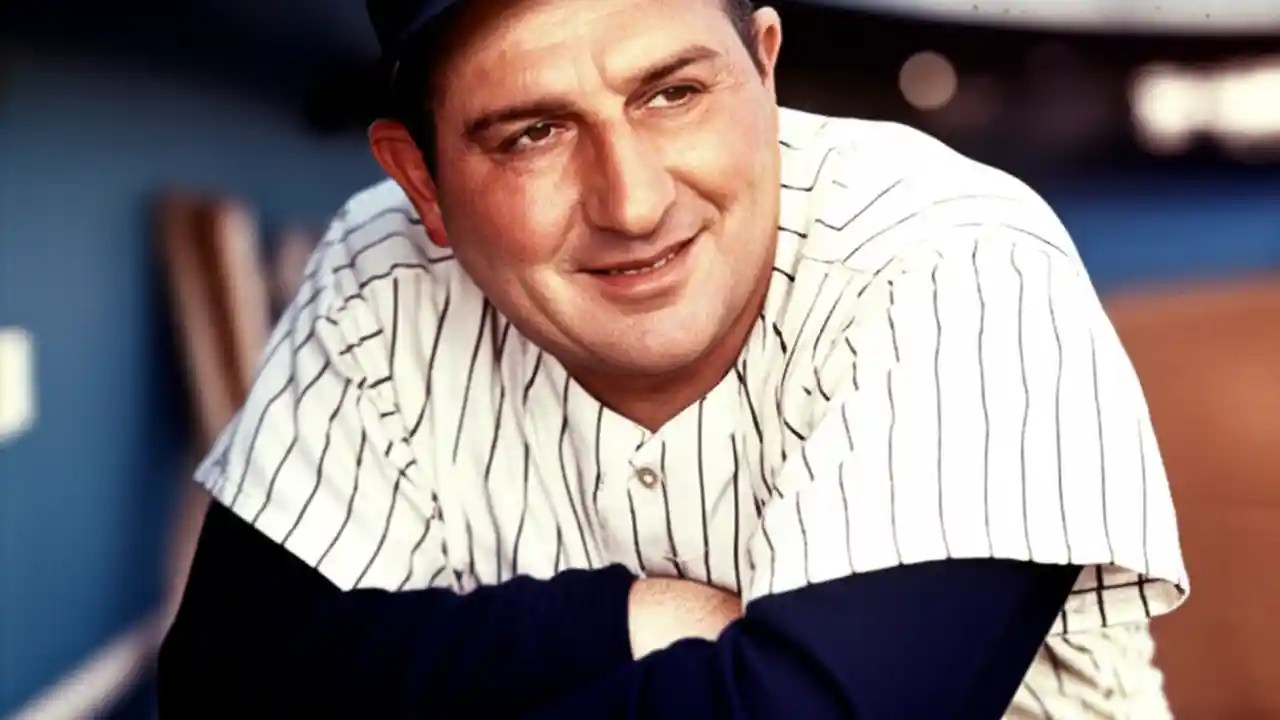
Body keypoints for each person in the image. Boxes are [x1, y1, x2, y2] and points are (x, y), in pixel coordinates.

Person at [156, 0, 1189, 717]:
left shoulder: (954, 249)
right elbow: (224, 685)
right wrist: (625, 621)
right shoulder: (380, 268)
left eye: (669, 94)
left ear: (764, 65)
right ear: (420, 180)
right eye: (529, 134)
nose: (631, 201)